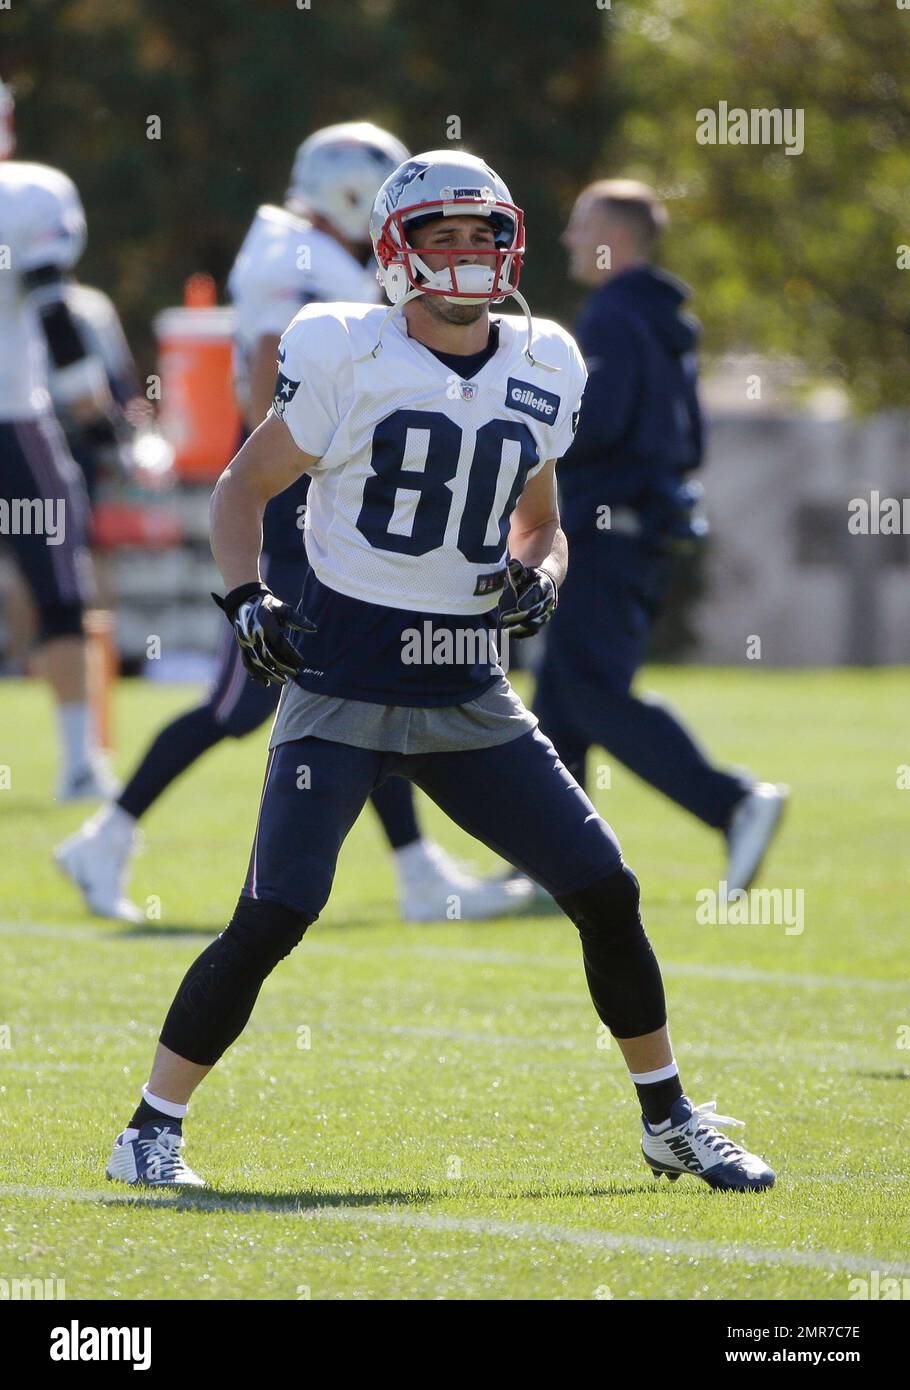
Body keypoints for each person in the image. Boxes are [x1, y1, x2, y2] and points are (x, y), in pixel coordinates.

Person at [103, 150, 775, 1195]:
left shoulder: (546, 358)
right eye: (440, 237)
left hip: (469, 685)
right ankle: (150, 1128)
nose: (464, 255)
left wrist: (538, 576)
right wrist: (245, 602)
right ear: (394, 251)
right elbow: (243, 488)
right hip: (344, 674)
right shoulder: (346, 348)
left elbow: (543, 522)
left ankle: (669, 1117)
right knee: (275, 912)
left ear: (508, 243)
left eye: (480, 235)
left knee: (606, 888)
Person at [55, 123, 530, 924]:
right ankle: (105, 836)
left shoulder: (308, 252)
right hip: (300, 505)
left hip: (323, 499)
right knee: (246, 702)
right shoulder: (292, 257)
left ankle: (417, 871)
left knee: (361, 680)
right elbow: (273, 375)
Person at [534, 179, 787, 893]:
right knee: (559, 703)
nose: (569, 240)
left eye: (582, 226)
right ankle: (560, 864)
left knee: (591, 692)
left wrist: (526, 445)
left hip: (605, 528)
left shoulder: (612, 314)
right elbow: (688, 438)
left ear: (614, 236)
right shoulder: (664, 318)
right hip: (644, 527)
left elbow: (598, 425)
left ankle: (732, 802)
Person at [0, 77, 121, 800]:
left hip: (16, 412)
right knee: (58, 587)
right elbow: (52, 311)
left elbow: (52, 307)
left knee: (60, 589)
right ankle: (80, 762)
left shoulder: (27, 197)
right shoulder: (31, 196)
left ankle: (80, 759)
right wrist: (91, 409)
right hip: (17, 416)